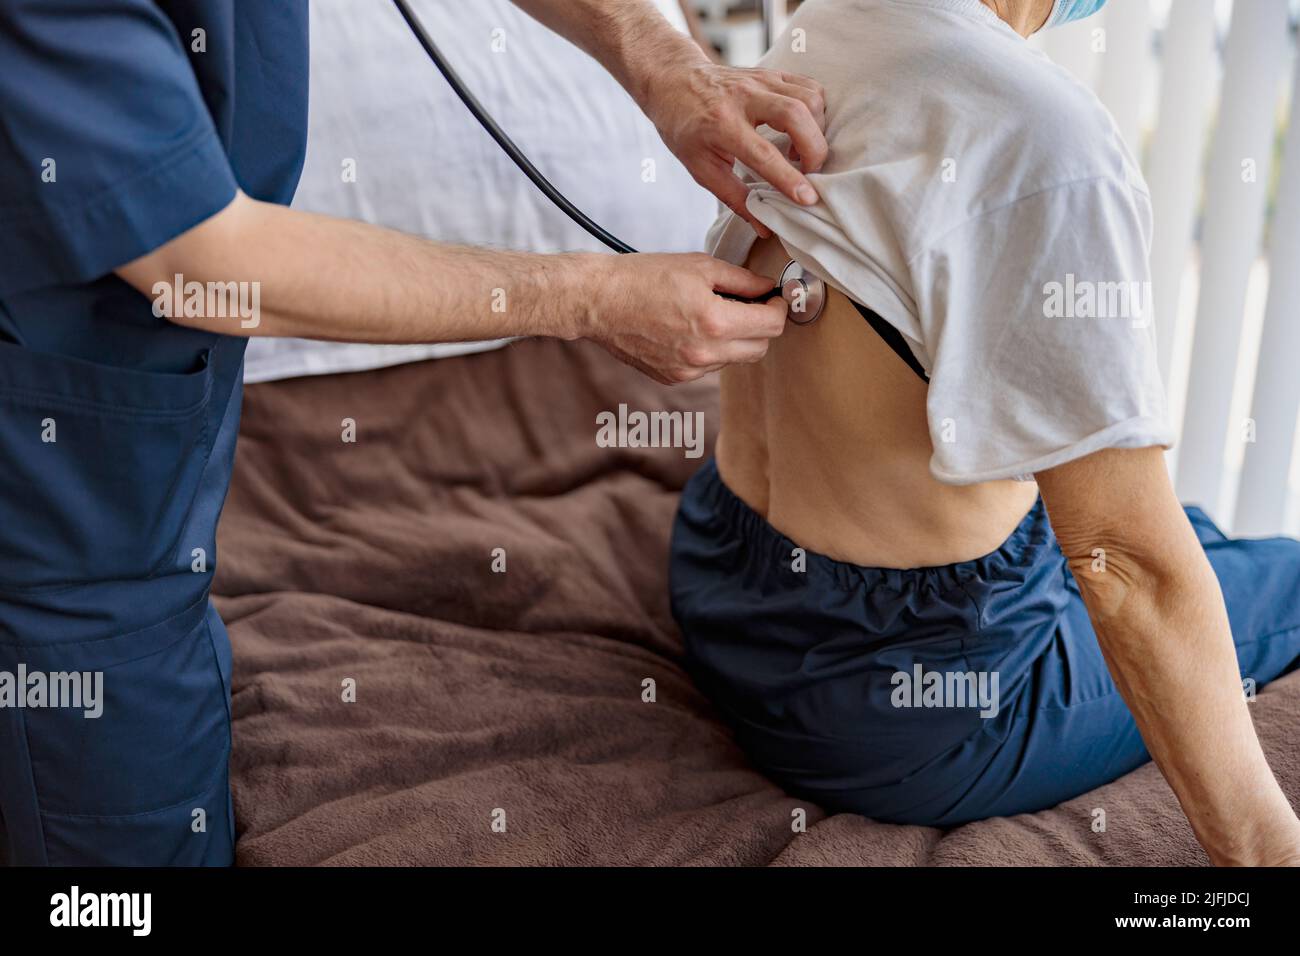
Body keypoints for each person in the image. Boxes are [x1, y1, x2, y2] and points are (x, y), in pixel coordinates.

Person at [0, 0, 827, 866]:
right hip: (60, 524)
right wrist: (586, 298)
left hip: (157, 484)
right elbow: (200, 262)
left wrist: (661, 58)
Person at [670, 0, 1300, 866]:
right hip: (902, 703)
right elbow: (1129, 572)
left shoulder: (825, 22)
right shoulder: (1044, 137)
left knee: (1196, 535)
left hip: (719, 580)